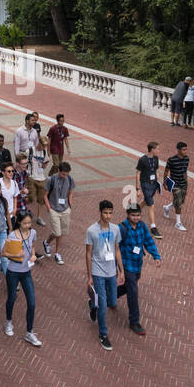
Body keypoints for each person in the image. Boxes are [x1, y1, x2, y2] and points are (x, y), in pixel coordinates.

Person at [84, 200, 125, 350]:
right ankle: (103, 334)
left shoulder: (115, 229)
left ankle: (92, 304)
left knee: (112, 301)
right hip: (98, 271)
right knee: (103, 306)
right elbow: (88, 254)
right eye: (105, 213)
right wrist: (90, 276)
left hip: (111, 271)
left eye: (110, 213)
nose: (108, 216)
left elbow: (117, 250)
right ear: (100, 212)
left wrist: (121, 271)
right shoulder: (91, 231)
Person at [118, 204, 161, 336]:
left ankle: (106, 298)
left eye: (138, 215)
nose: (136, 218)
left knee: (126, 288)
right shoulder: (122, 228)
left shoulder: (142, 226)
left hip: (137, 264)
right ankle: (134, 322)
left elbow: (148, 241)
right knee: (133, 292)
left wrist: (156, 256)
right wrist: (119, 269)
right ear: (128, 214)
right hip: (127, 265)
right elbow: (116, 248)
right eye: (133, 215)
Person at [2, 210, 41, 346]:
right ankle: (8, 321)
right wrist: (16, 256)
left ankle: (29, 332)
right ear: (19, 222)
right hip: (13, 272)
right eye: (25, 223)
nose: (28, 225)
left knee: (32, 302)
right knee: (12, 298)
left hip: (26, 272)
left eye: (29, 222)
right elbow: (3, 253)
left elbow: (33, 247)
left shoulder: (33, 233)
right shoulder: (12, 235)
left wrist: (33, 255)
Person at [44, 161, 75, 264]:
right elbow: (45, 195)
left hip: (65, 209)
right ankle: (47, 243)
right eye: (63, 174)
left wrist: (70, 203)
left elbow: (71, 192)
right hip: (54, 209)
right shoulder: (51, 179)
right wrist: (49, 208)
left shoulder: (69, 179)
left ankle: (56, 252)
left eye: (67, 174)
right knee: (57, 233)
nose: (65, 176)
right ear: (58, 171)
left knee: (61, 233)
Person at [134, 141, 163, 238]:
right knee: (151, 204)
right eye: (157, 149)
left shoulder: (156, 159)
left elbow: (155, 170)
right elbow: (138, 173)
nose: (159, 151)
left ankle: (133, 211)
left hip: (153, 184)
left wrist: (158, 181)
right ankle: (153, 227)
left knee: (146, 201)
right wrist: (137, 188)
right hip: (145, 184)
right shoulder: (142, 160)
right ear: (152, 149)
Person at [161, 141, 189, 232]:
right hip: (175, 184)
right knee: (179, 203)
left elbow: (185, 171)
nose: (185, 151)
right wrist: (164, 183)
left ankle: (167, 207)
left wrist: (186, 181)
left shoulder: (187, 159)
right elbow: (166, 171)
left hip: (183, 183)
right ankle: (178, 223)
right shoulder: (171, 159)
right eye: (183, 150)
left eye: (186, 149)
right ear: (178, 150)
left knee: (180, 201)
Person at [28, 137, 49, 228]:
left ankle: (39, 217)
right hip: (31, 177)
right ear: (39, 142)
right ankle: (21, 210)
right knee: (31, 198)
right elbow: (23, 162)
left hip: (41, 178)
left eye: (45, 146)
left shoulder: (44, 152)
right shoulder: (30, 151)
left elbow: (44, 166)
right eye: (43, 145)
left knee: (41, 199)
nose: (43, 147)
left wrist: (46, 163)